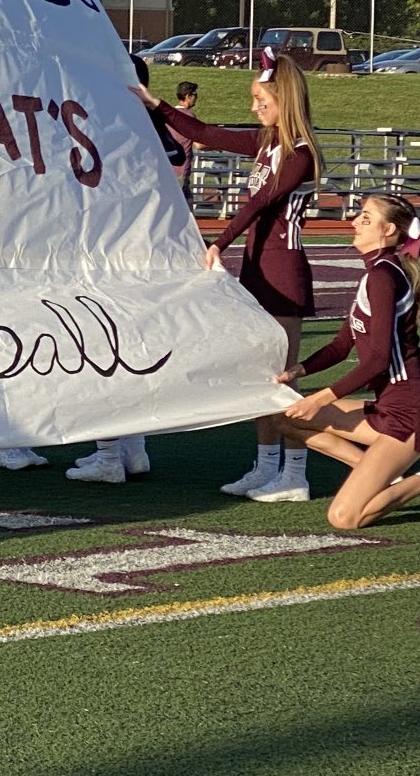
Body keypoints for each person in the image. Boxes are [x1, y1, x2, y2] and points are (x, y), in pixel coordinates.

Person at [136, 50, 320, 500]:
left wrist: (218, 240)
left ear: (285, 99)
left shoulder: (298, 153)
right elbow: (205, 133)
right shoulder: (267, 143)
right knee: (262, 374)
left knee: (283, 377)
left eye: (261, 101)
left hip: (283, 273)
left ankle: (295, 473)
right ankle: (265, 466)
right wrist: (152, 101)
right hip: (257, 270)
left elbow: (260, 204)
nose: (254, 109)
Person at [273, 194, 420, 528]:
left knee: (344, 517)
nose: (354, 222)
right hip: (389, 408)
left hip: (412, 414)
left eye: (365, 218)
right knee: (285, 419)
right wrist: (299, 370)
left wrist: (321, 397)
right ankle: (382, 474)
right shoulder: (376, 273)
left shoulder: (384, 276)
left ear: (389, 230)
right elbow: (341, 345)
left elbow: (378, 361)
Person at [62, 56, 187, 483]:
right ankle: (134, 448)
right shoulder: (155, 128)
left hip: (114, 248)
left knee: (104, 351)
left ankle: (109, 453)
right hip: (151, 247)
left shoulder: (115, 124)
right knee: (134, 349)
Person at [170, 81, 200, 203]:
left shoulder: (169, 114)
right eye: (195, 94)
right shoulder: (189, 117)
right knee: (183, 206)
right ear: (188, 96)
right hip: (182, 170)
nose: (196, 98)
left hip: (167, 168)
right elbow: (200, 144)